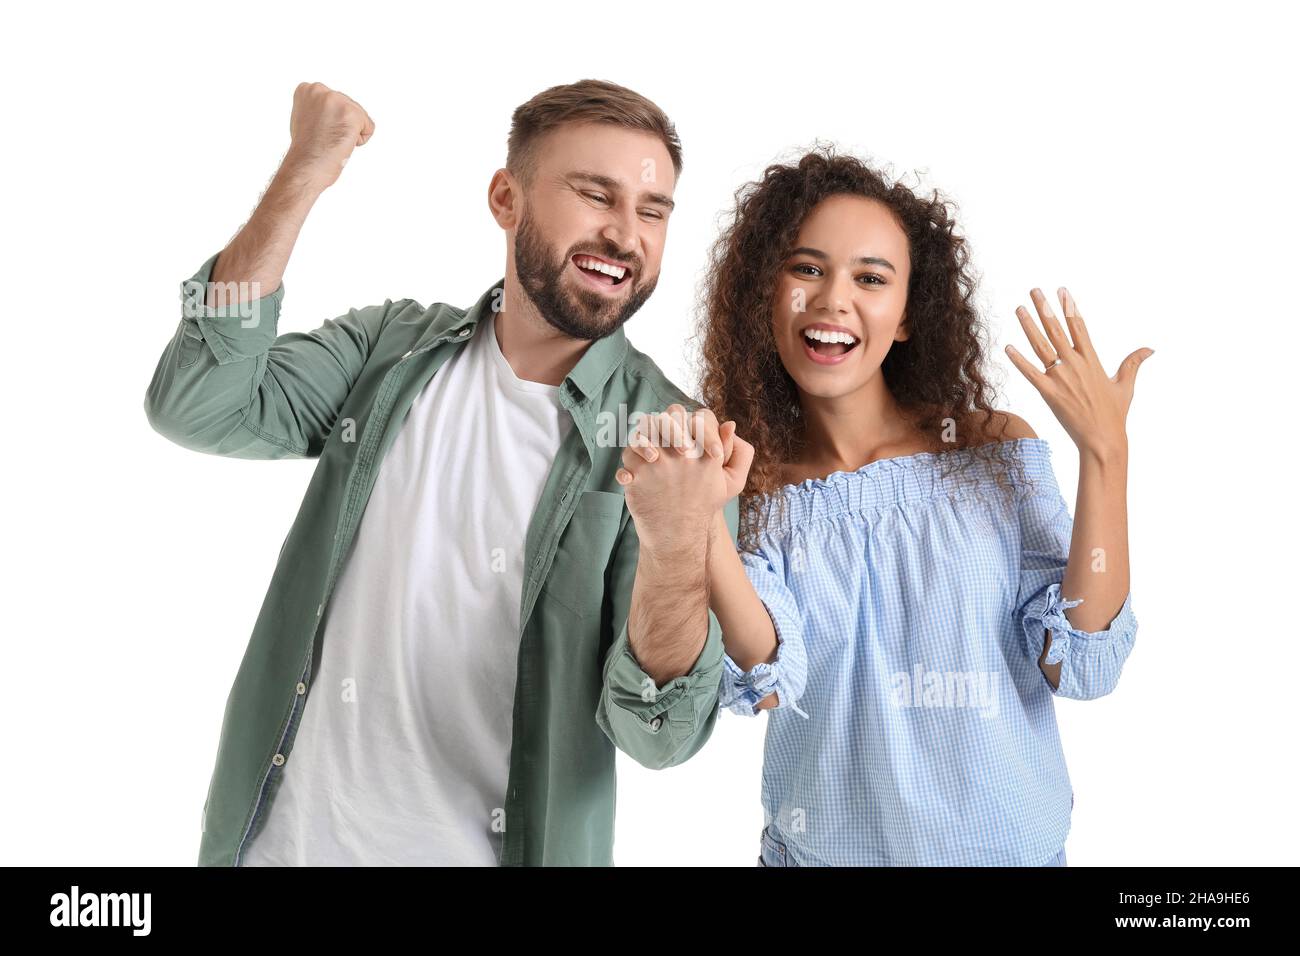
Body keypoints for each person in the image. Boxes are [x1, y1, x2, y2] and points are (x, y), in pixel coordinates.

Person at [144, 79, 743, 866]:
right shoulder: (391, 351)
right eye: (596, 194)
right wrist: (306, 169)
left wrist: (674, 546)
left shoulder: (673, 442)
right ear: (506, 198)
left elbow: (660, 735)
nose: (626, 233)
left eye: (653, 210)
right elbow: (197, 403)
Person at [619, 146, 1149, 866]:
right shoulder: (753, 480)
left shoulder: (990, 451)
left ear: (905, 316)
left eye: (871, 278)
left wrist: (1104, 454)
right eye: (807, 268)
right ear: (765, 294)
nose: (834, 298)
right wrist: (704, 518)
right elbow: (768, 668)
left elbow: (1079, 661)